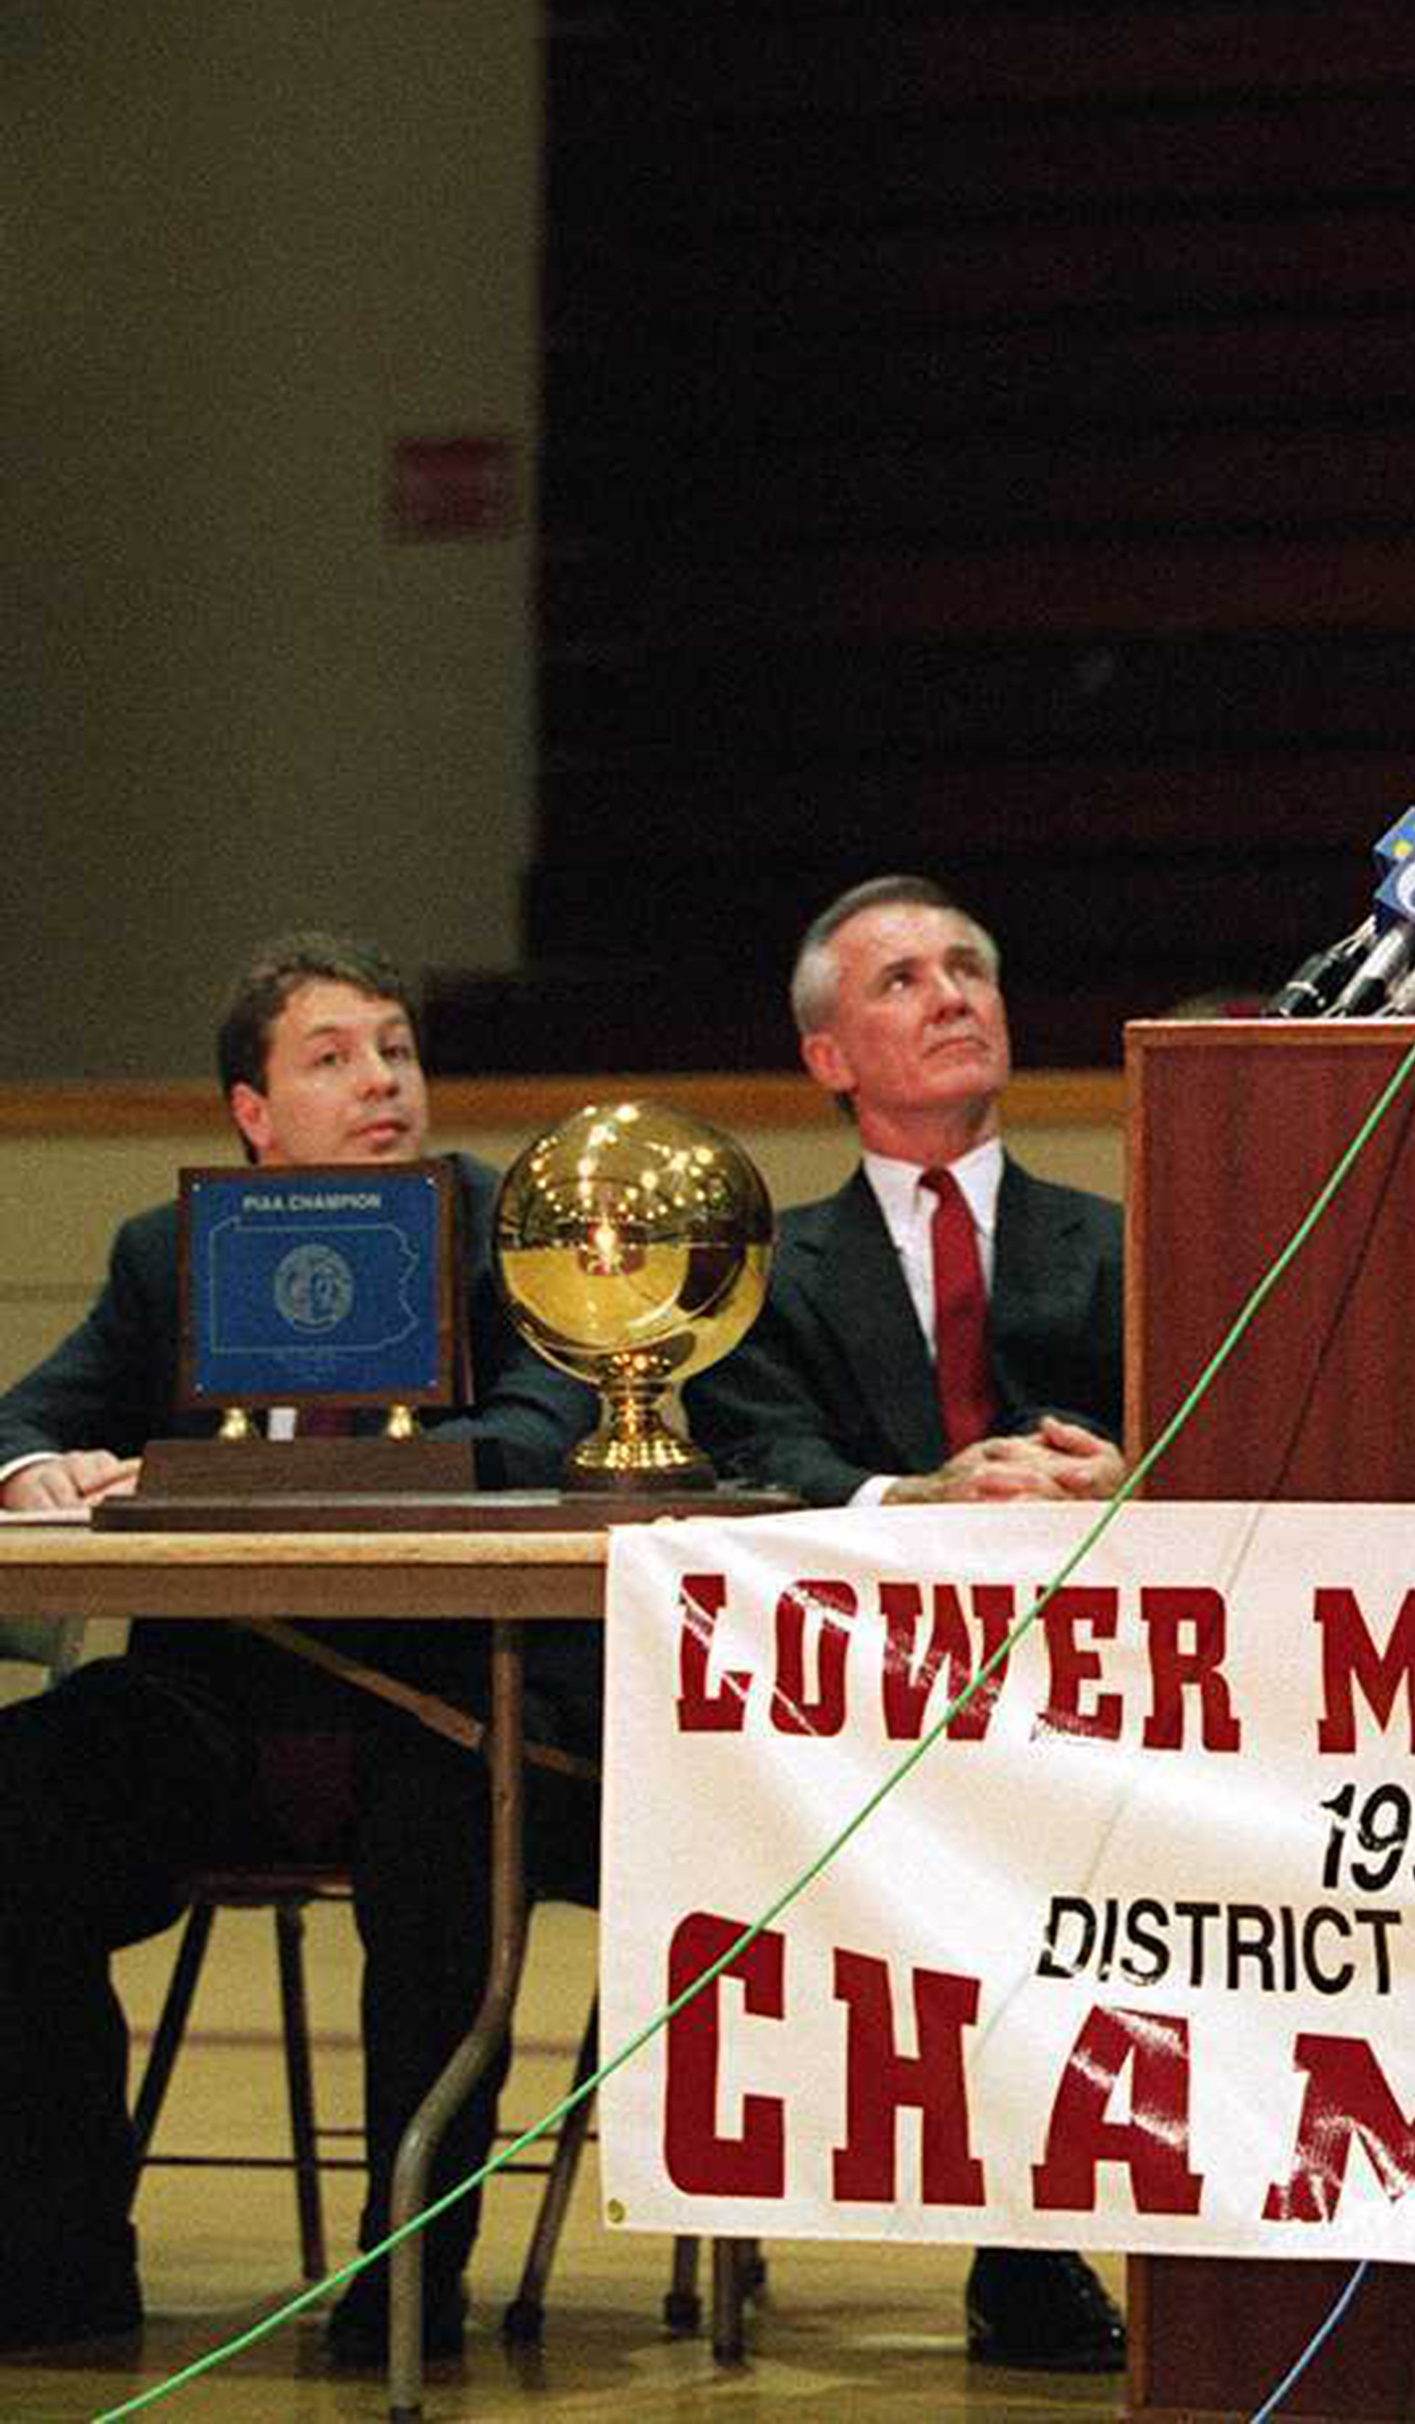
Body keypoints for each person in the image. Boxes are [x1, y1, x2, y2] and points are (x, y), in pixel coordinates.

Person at [0, 934, 596, 2360]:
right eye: (331, 1057)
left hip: (439, 1708)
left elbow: (534, 1433)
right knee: (15, 1798)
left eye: (395, 1048)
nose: (381, 1078)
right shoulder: (165, 1255)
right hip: (216, 1709)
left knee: (445, 1845)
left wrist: (225, 1485)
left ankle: (404, 2288)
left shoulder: (496, 1228)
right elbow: (25, 1415)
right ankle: (60, 2271)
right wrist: (35, 1469)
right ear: (252, 1114)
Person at [683, 875, 1126, 2370]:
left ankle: (1070, 2236)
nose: (951, 995)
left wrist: (1129, 1470)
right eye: (903, 980)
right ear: (826, 1057)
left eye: (970, 969)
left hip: (1097, 1689)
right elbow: (757, 1456)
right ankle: (1019, 2236)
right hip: (859, 1701)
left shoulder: (1127, 1237)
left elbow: (1209, 1421)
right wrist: (915, 1500)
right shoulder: (762, 1272)